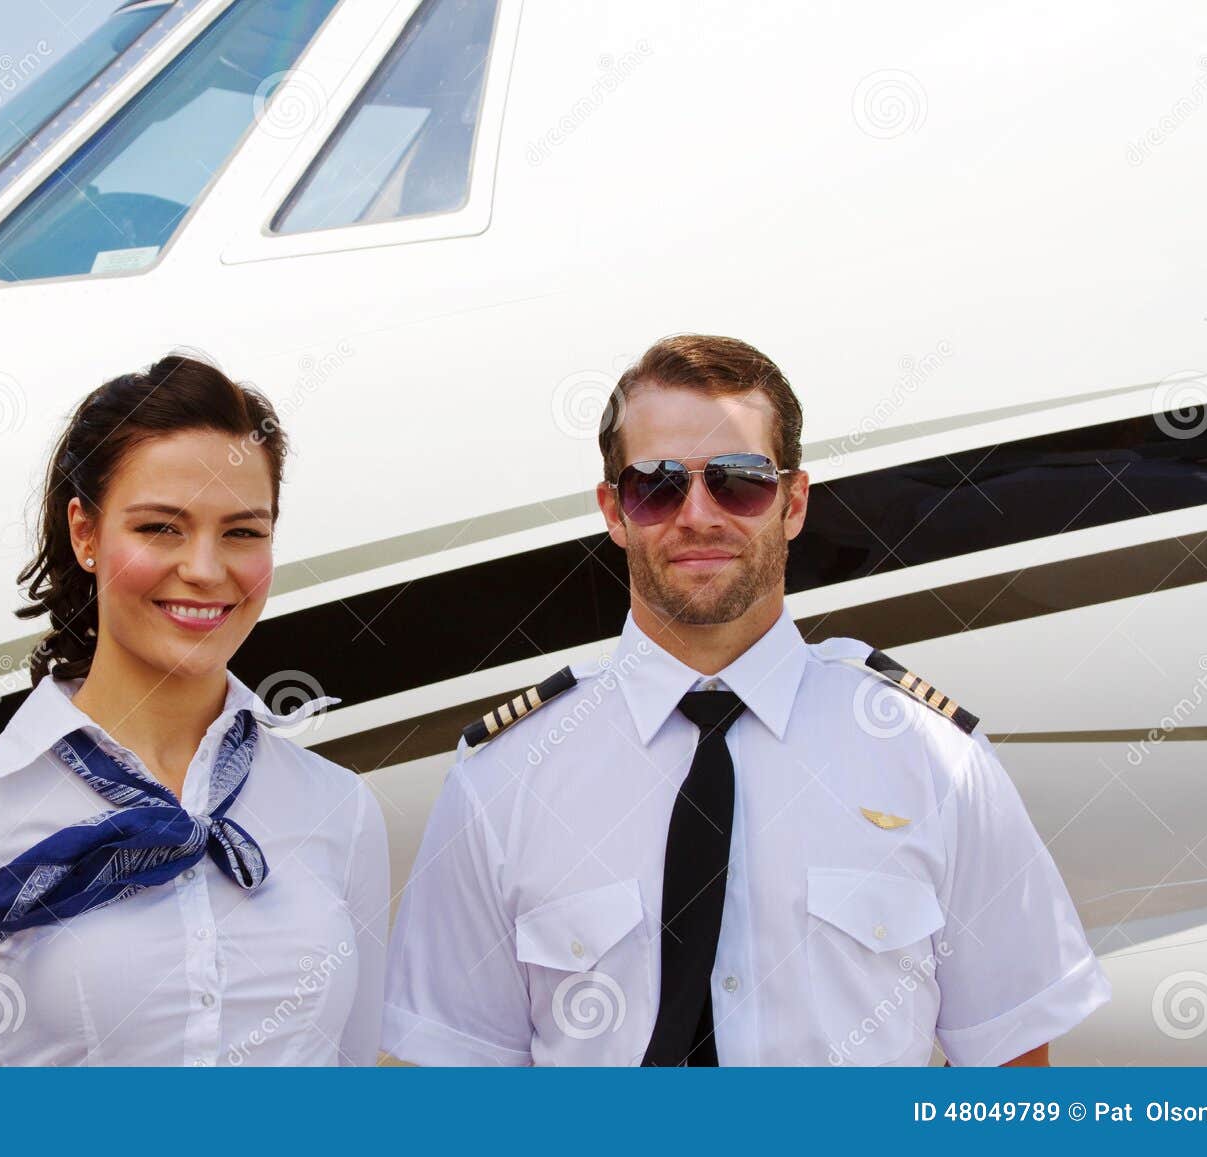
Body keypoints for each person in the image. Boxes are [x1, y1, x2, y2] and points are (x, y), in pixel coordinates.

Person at [382, 334, 1110, 1067]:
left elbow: (1010, 1076)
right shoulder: (500, 783)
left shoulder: (935, 761)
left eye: (739, 480)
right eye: (657, 484)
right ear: (613, 509)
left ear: (793, 503)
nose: (698, 514)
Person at [0, 352, 389, 1065]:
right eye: (161, 527)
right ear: (85, 533)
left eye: (243, 531)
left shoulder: (341, 809)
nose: (204, 567)